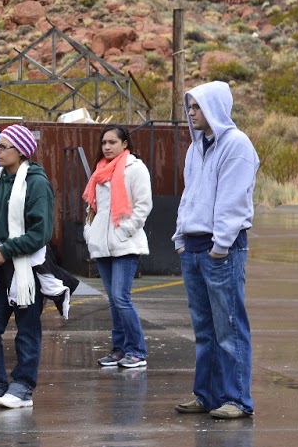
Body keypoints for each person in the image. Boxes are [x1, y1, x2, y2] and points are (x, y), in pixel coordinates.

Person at [173, 81, 260, 420]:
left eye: (196, 107)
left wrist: (220, 246)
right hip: (193, 246)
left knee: (229, 326)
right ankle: (207, 394)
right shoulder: (196, 148)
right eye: (190, 107)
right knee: (204, 327)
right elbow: (189, 193)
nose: (191, 113)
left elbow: (233, 200)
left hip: (218, 248)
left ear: (215, 108)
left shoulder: (236, 145)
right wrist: (180, 238)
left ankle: (236, 399)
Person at [0, 124, 55, 410]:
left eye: (3, 147)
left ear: (21, 151)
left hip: (26, 267)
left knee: (27, 328)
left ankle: (23, 387)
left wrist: (7, 250)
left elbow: (40, 232)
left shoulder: (36, 183)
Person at [83, 125, 154, 370]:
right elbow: (93, 207)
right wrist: (89, 232)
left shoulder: (135, 169)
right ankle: (119, 349)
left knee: (121, 297)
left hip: (125, 244)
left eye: (112, 142)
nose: (107, 147)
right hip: (102, 245)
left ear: (125, 144)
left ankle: (137, 351)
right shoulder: (100, 171)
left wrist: (124, 231)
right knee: (113, 299)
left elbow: (144, 205)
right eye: (104, 142)